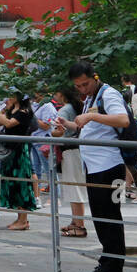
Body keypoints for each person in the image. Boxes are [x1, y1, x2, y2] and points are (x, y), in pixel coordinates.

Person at [51, 61, 129, 272]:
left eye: (85, 84)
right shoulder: (92, 99)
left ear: (95, 77)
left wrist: (92, 117)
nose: (82, 89)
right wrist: (68, 123)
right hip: (95, 167)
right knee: (101, 219)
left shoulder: (109, 94)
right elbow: (90, 129)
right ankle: (106, 264)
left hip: (110, 166)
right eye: (78, 86)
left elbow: (122, 120)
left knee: (111, 219)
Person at [0, 92, 37, 231]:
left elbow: (9, 124)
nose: (9, 97)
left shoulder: (24, 112)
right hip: (9, 151)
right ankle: (20, 218)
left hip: (19, 152)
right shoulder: (11, 109)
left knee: (20, 183)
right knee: (12, 184)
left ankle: (23, 219)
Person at [51, 86, 88, 238]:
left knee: (74, 187)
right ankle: (76, 221)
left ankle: (79, 225)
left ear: (61, 93)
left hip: (71, 150)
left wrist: (55, 133)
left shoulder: (64, 110)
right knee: (75, 186)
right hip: (77, 150)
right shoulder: (77, 106)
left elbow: (57, 132)